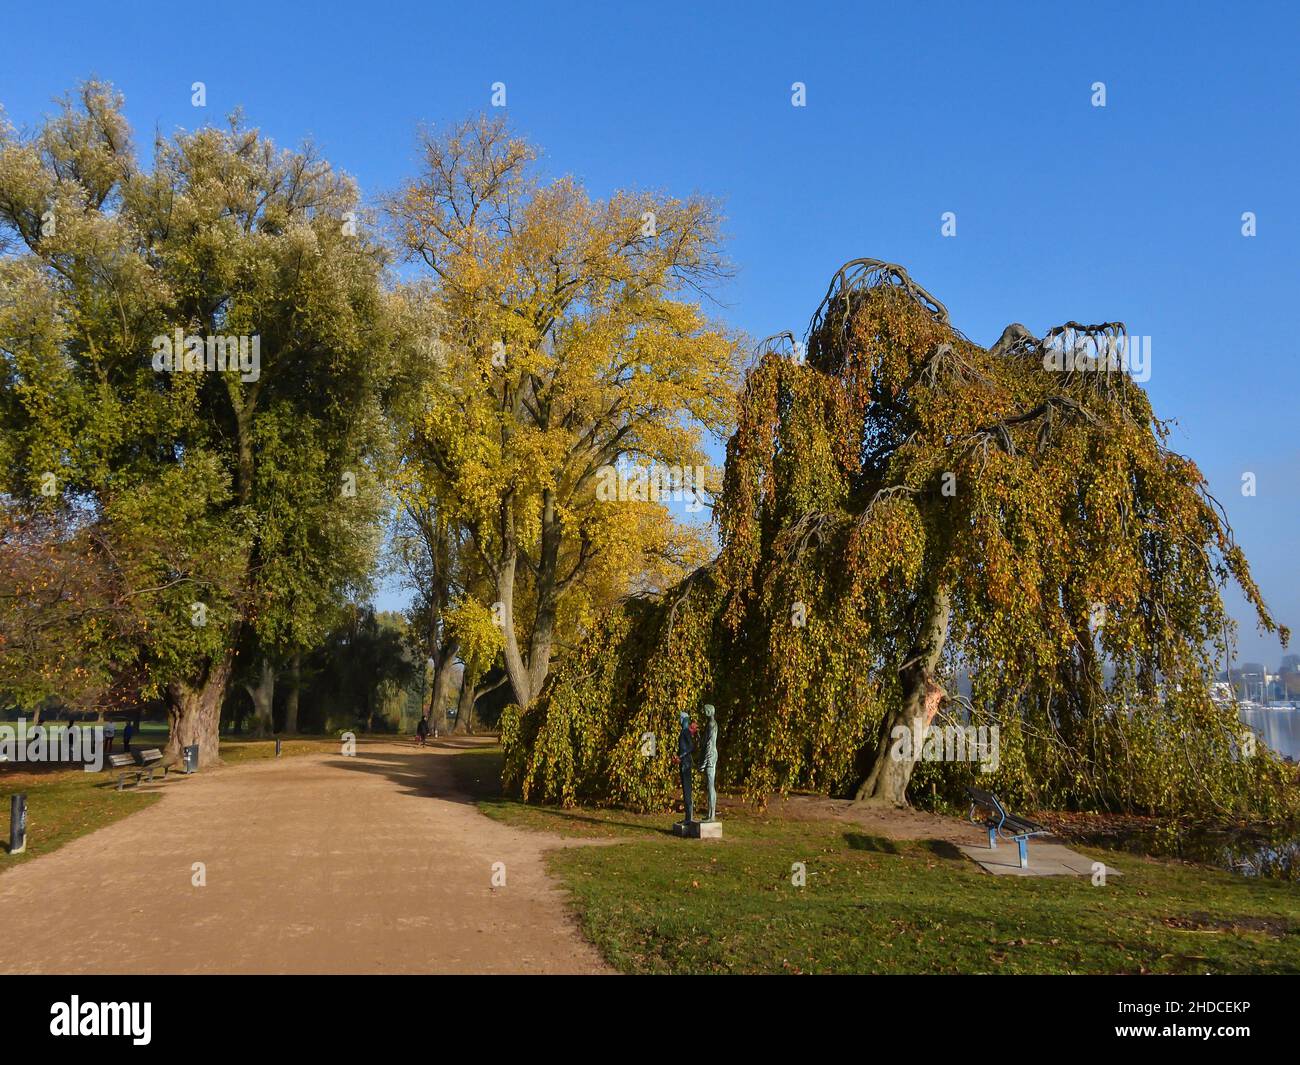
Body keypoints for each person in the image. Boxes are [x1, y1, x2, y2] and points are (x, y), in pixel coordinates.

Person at [697, 703, 718, 822]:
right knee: (710, 785)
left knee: (710, 785)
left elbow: (709, 744)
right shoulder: (712, 724)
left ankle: (712, 815)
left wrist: (705, 762)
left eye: (705, 710)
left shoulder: (711, 725)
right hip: (712, 753)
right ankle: (710, 814)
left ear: (709, 711)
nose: (703, 712)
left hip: (710, 755)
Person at [672, 711, 694, 822]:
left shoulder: (685, 732)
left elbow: (690, 747)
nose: (679, 721)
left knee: (687, 790)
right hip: (683, 763)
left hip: (686, 764)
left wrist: (680, 756)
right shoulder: (684, 732)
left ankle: (689, 818)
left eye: (681, 719)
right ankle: (687, 817)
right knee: (685, 790)